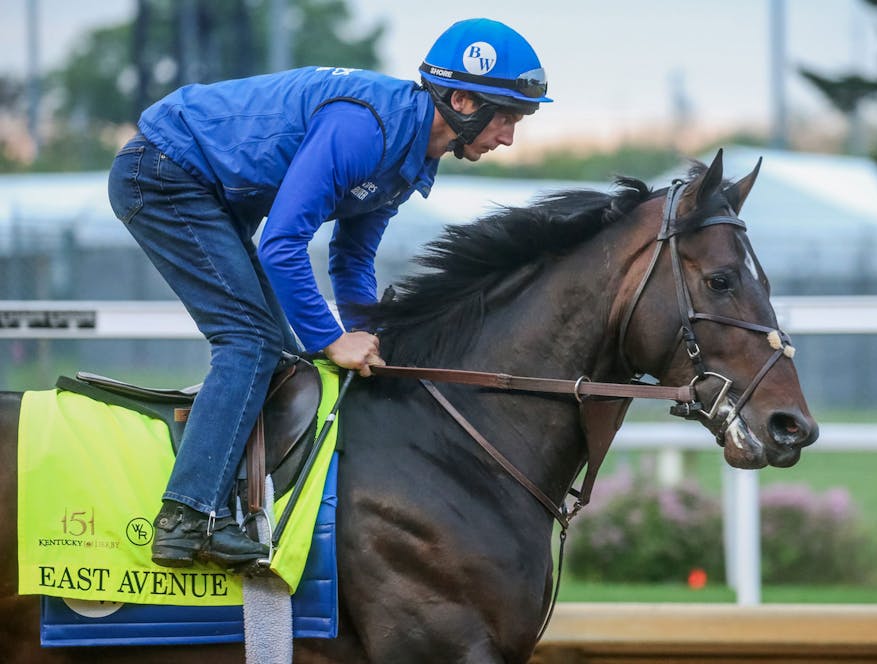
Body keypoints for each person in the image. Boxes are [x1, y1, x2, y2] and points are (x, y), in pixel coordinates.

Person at [106, 17, 551, 569]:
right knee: (250, 344)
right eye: (506, 116)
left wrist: (372, 337)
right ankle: (185, 519)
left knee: (277, 352)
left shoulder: (410, 157)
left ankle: (230, 507)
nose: (509, 136)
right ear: (462, 100)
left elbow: (352, 258)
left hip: (208, 190)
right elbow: (283, 244)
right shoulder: (364, 130)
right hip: (163, 173)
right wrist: (332, 339)